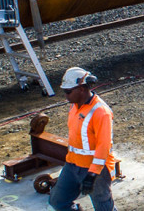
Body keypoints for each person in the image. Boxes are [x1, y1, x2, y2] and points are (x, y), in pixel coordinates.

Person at [49, 67, 117, 211]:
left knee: (103, 206)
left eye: (68, 91)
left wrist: (92, 174)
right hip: (73, 164)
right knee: (57, 201)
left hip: (96, 169)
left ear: (80, 89)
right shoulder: (74, 106)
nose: (66, 96)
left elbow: (103, 146)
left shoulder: (101, 112)